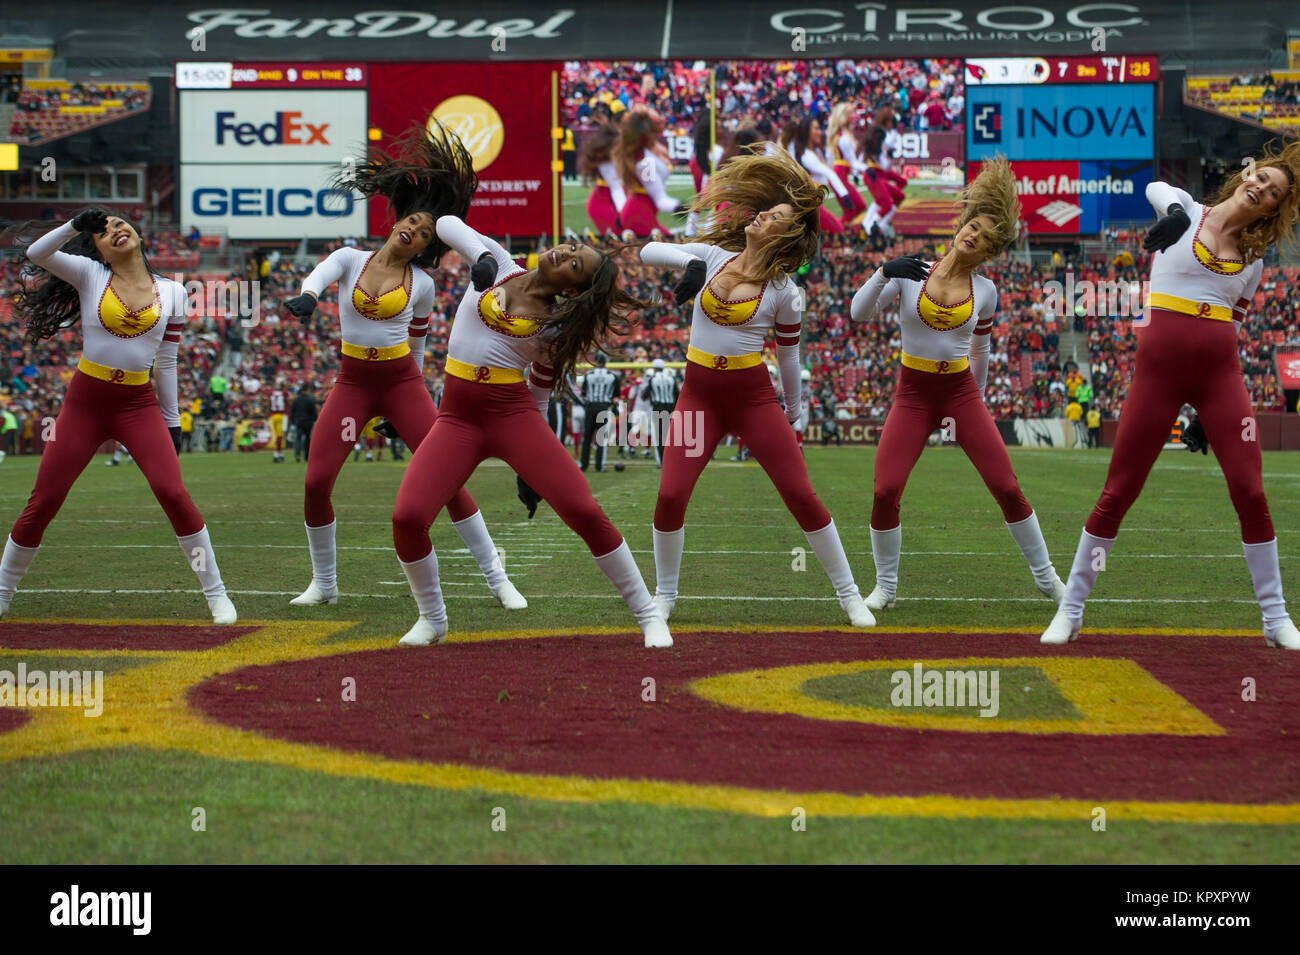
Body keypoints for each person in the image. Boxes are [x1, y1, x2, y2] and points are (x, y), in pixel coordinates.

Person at [1042, 139, 1300, 650]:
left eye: (1273, 192)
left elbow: (1236, 324)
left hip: (1219, 380)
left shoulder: (1253, 261)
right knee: (1118, 492)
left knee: (1251, 492)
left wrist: (1207, 410)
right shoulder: (1186, 208)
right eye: (1260, 177)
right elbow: (1154, 186)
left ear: (1275, 208)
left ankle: (1276, 618)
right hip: (1157, 379)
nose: (1261, 188)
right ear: (1244, 175)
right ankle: (1070, 610)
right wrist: (1179, 214)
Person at [390, 216, 672, 649]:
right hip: (457, 419)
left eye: (576, 265)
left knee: (583, 510)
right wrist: (482, 256)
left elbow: (540, 389)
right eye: (574, 248)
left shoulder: (558, 327)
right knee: (408, 517)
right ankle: (433, 619)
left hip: (512, 415)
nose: (566, 253)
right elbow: (446, 223)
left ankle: (649, 615)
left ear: (573, 290)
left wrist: (529, 465)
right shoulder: (500, 264)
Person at [282, 121, 524, 611]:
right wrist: (308, 296)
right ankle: (324, 583)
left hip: (401, 385)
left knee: (450, 484)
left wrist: (407, 402)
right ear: (397, 221)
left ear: (424, 249)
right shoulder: (350, 258)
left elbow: (417, 346)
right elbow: (323, 273)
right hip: (353, 384)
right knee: (314, 482)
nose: (412, 229)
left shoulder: (423, 285)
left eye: (423, 233)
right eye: (411, 220)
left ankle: (497, 579)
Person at [640, 147, 874, 629]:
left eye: (776, 215)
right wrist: (689, 267)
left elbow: (789, 355)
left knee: (801, 496)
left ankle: (850, 596)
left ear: (786, 233)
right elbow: (647, 251)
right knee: (668, 497)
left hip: (752, 399)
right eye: (767, 208)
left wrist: (795, 408)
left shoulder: (787, 292)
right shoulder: (710, 256)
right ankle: (664, 597)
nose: (762, 212)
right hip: (698, 395)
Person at [0, 209, 236, 624]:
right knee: (45, 500)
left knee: (174, 494)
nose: (116, 230)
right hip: (84, 404)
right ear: (100, 251)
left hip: (137, 404)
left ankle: (217, 596)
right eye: (105, 231)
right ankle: (3, 593)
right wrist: (76, 225)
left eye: (121, 224)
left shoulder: (174, 293)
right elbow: (38, 253)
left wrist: (173, 420)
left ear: (139, 234)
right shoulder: (91, 274)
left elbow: (167, 362)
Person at [850, 157, 1066, 612]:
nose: (974, 235)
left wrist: (975, 409)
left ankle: (1049, 581)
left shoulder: (986, 291)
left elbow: (981, 353)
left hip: (961, 394)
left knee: (1006, 487)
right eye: (973, 225)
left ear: (989, 251)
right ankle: (885, 588)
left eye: (986, 235)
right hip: (912, 394)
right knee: (885, 489)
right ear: (962, 224)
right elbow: (858, 313)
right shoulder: (913, 271)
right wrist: (884, 271)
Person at [616, 105, 683, 237]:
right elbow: (660, 199)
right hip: (637, 215)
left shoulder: (655, 149)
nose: (663, 121)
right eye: (658, 121)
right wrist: (680, 207)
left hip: (645, 213)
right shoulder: (645, 162)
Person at [579, 117, 625, 235]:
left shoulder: (618, 158)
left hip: (612, 202)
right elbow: (616, 188)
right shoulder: (607, 164)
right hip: (603, 204)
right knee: (619, 240)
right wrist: (623, 212)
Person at [580, 352, 619, 472]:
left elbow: (584, 393)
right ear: (605, 362)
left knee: (587, 437)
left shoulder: (589, 375)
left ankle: (584, 465)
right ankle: (600, 465)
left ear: (596, 361)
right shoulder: (612, 376)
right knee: (602, 438)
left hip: (591, 407)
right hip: (603, 407)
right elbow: (615, 395)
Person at [642, 358, 678, 467]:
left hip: (658, 408)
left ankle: (662, 462)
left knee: (659, 437)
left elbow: (644, 395)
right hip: (670, 408)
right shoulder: (671, 379)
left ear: (654, 368)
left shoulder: (652, 379)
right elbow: (677, 395)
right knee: (670, 437)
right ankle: (672, 461)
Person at [290, 384, 317, 462]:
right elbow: (313, 412)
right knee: (307, 439)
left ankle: (297, 454)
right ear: (307, 390)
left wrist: (293, 421)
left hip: (298, 421)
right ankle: (306, 456)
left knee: (298, 438)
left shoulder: (296, 399)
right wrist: (315, 420)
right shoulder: (310, 399)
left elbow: (292, 411)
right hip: (308, 422)